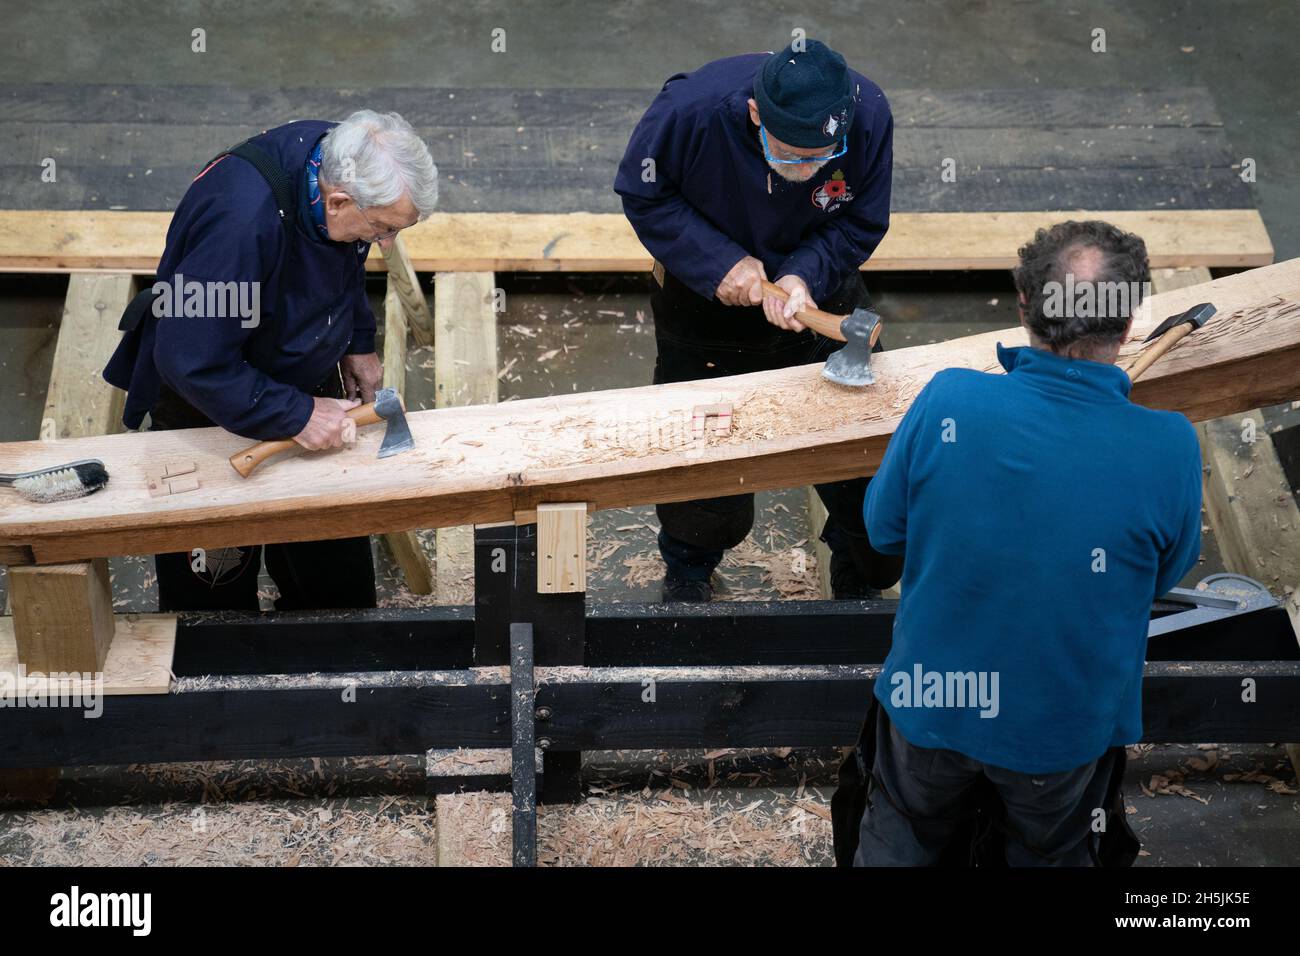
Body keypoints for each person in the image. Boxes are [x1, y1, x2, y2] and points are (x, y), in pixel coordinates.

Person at [854, 220, 1202, 866]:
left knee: (901, 833)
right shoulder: (1171, 447)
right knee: (1053, 849)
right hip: (1062, 733)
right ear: (1126, 329)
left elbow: (881, 530)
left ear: (1023, 308)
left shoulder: (948, 402)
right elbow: (1158, 581)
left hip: (934, 707)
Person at [104, 110, 438, 611]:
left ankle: (330, 653)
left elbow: (343, 259)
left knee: (336, 589)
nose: (385, 243)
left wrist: (357, 340)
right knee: (211, 601)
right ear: (340, 199)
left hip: (296, 371)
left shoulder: (332, 156)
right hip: (210, 401)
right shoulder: (237, 226)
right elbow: (191, 359)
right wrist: (296, 414)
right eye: (383, 229)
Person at [614, 39, 902, 602]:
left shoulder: (869, 112)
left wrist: (803, 275)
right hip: (703, 304)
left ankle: (860, 572)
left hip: (821, 299)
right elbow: (644, 196)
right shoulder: (690, 111)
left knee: (870, 460)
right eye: (794, 155)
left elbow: (863, 219)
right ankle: (690, 568)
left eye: (824, 155)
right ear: (754, 114)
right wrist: (718, 260)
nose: (811, 169)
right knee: (701, 464)